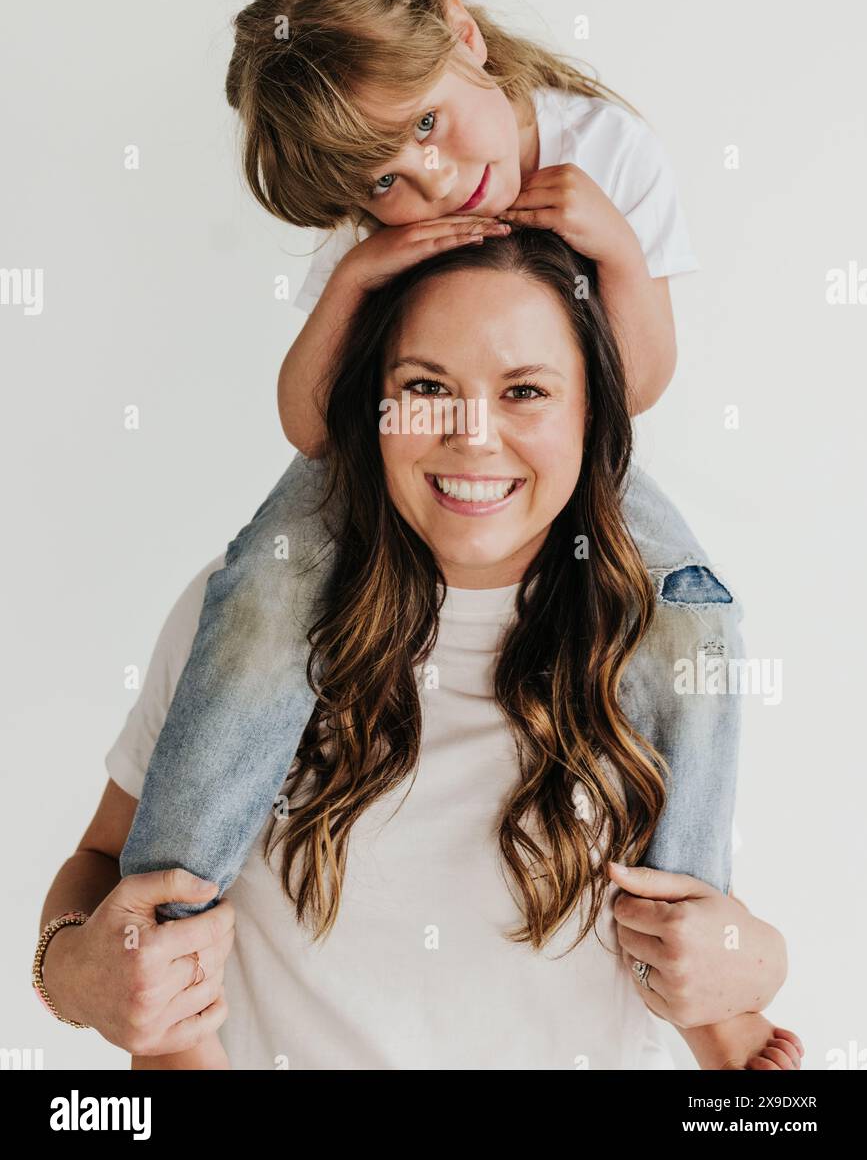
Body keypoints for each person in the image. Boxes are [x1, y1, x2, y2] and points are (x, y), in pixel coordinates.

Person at [36, 232, 801, 1070]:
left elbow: (698, 928)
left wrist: (757, 959)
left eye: (525, 391)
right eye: (427, 386)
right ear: (372, 405)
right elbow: (103, 863)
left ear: (591, 410)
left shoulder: (658, 642)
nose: (473, 436)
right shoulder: (247, 614)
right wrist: (73, 975)